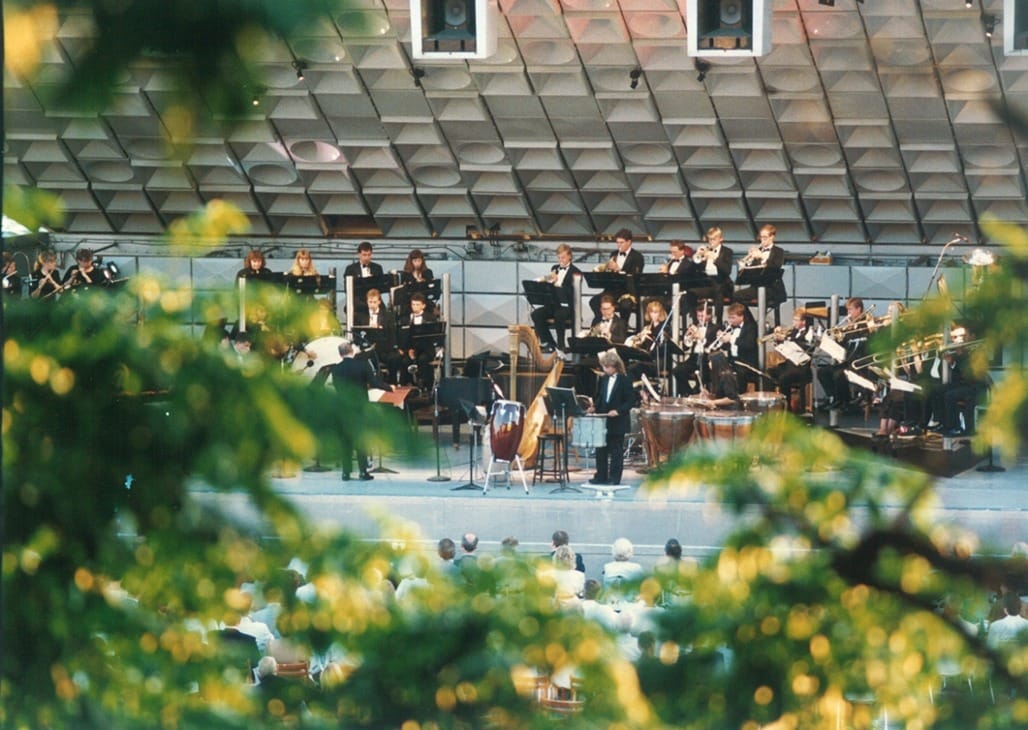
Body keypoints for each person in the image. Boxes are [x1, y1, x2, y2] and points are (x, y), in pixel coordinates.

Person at [331, 340, 391, 481]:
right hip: (360, 407)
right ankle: (363, 472)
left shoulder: (335, 369)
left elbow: (337, 387)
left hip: (343, 407)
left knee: (346, 440)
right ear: (352, 351)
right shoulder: (362, 365)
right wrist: (389, 388)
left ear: (340, 354)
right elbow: (375, 383)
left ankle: (346, 473)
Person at [587, 348, 636, 486]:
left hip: (618, 420)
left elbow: (631, 400)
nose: (605, 369)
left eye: (607, 367)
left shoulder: (625, 380)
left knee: (616, 451)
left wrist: (619, 411)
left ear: (615, 366)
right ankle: (601, 475)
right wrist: (594, 407)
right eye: (604, 366)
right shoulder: (604, 379)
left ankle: (614, 478)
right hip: (603, 419)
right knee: (600, 448)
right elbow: (600, 397)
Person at [817, 297, 869, 411]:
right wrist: (838, 338)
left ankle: (845, 401)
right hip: (848, 361)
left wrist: (855, 328)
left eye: (850, 310)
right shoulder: (849, 326)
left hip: (860, 362)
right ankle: (835, 397)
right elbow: (844, 346)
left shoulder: (866, 324)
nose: (848, 313)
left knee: (839, 374)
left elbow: (865, 341)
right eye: (847, 310)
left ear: (859, 309)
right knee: (823, 372)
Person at [531, 243, 581, 354]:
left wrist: (558, 283)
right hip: (554, 304)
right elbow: (549, 284)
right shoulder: (554, 268)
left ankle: (561, 345)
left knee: (559, 314)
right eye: (558, 258)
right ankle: (548, 342)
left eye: (563, 257)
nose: (560, 260)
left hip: (568, 306)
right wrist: (547, 280)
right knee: (536, 314)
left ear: (570, 257)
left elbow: (573, 293)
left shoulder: (576, 272)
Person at [767, 307, 817, 414]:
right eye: (793, 320)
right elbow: (786, 346)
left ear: (803, 322)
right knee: (770, 372)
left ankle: (787, 408)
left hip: (801, 367)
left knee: (784, 378)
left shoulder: (809, 333)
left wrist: (785, 339)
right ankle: (773, 404)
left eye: (796, 320)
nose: (793, 322)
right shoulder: (794, 331)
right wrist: (777, 339)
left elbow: (805, 346)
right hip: (790, 364)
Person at [733, 224, 787, 322]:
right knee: (736, 296)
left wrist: (762, 256)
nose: (762, 240)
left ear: (772, 237)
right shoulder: (757, 251)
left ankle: (762, 326)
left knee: (764, 297)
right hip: (757, 286)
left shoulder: (779, 251)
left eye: (765, 237)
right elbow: (753, 271)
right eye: (761, 237)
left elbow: (775, 266)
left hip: (772, 288)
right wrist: (748, 262)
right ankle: (751, 323)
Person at [589, 228, 644, 324]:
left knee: (625, 305)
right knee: (594, 301)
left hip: (628, 292)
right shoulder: (613, 254)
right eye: (617, 243)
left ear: (629, 242)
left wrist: (619, 269)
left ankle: (622, 327)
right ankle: (604, 322)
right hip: (612, 290)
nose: (619, 245)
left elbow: (635, 277)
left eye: (621, 243)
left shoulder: (637, 257)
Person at [685, 225, 734, 323]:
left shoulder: (727, 252)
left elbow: (727, 270)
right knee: (690, 293)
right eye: (709, 239)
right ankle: (696, 322)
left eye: (714, 239)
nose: (711, 242)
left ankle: (718, 322)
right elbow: (692, 269)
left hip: (723, 284)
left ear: (721, 239)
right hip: (708, 284)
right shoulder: (706, 251)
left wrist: (715, 259)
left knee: (718, 289)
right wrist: (697, 257)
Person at [354, 288, 402, 384]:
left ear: (379, 302)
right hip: (367, 348)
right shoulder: (360, 316)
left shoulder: (388, 315)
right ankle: (371, 383)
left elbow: (392, 334)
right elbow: (357, 334)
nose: (372, 304)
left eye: (374, 302)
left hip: (384, 349)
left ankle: (392, 383)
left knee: (394, 358)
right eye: (370, 302)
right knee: (363, 358)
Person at [672, 304, 719, 396]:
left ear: (709, 316)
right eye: (698, 316)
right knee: (677, 370)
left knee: (702, 375)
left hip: (707, 360)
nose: (700, 318)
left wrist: (701, 338)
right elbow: (686, 348)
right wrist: (687, 337)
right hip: (694, 358)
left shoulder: (715, 328)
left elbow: (713, 346)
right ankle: (688, 394)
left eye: (702, 316)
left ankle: (698, 392)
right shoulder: (694, 327)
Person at [398, 291, 440, 389]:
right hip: (410, 349)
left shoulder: (430, 318)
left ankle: (425, 385)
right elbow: (403, 336)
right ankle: (407, 385)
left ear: (423, 306)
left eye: (417, 304)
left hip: (426, 349)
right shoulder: (405, 319)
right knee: (404, 361)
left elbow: (433, 337)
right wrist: (408, 350)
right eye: (413, 304)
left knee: (423, 360)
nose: (415, 307)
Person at [718, 302, 759, 391]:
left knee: (740, 373)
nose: (730, 320)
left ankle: (739, 397)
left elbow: (748, 344)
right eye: (729, 317)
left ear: (741, 317)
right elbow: (726, 347)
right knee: (716, 364)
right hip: (732, 361)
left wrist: (731, 338)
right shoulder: (730, 328)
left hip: (746, 362)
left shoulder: (751, 327)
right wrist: (721, 340)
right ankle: (720, 395)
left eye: (733, 318)